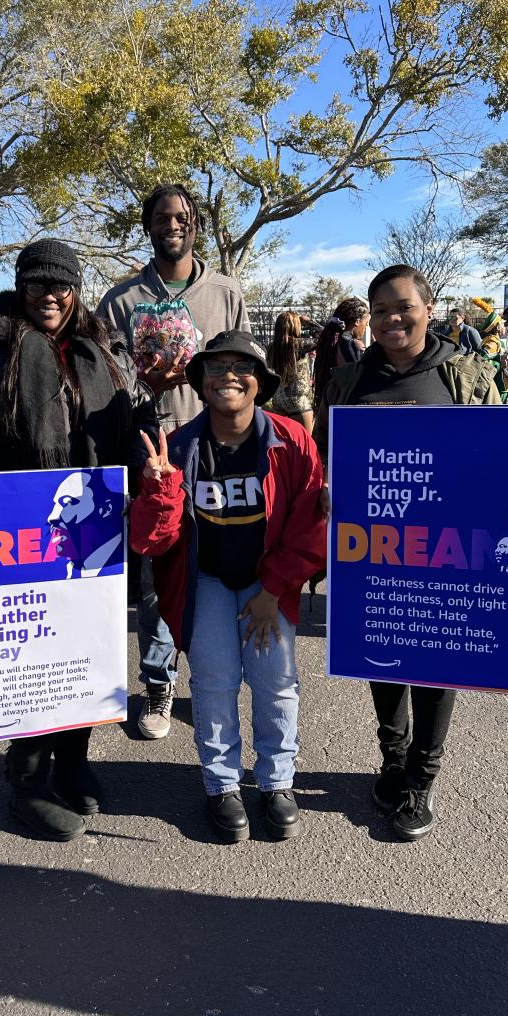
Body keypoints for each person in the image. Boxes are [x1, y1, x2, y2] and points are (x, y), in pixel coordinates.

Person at [314, 265, 508, 841]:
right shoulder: (347, 381)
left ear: (429, 306)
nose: (392, 319)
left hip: (446, 554)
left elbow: (506, 462)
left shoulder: (465, 374)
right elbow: (324, 457)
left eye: (403, 307)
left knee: (437, 667)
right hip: (374, 554)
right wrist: (323, 493)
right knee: (383, 660)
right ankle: (392, 761)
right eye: (381, 309)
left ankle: (421, 776)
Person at [0, 238, 156, 842]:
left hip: (93, 524)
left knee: (83, 651)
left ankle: (73, 761)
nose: (50, 295)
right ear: (21, 287)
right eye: (37, 284)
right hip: (18, 531)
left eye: (61, 285)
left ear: (76, 290)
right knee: (32, 655)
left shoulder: (100, 349)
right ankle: (28, 779)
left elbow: (123, 426)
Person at [130, 330, 326, 842]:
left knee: (276, 683)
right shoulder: (181, 446)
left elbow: (311, 526)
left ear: (260, 383)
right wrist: (159, 487)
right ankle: (221, 786)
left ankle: (276, 782)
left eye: (242, 367)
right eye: (215, 368)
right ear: (199, 383)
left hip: (269, 584)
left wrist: (271, 590)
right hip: (208, 583)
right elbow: (154, 542)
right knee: (214, 685)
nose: (228, 377)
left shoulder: (292, 441)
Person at [96, 184, 249, 741]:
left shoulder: (227, 293)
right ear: (148, 226)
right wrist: (145, 383)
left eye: (182, 217)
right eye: (161, 218)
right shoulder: (121, 300)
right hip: (150, 450)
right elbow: (104, 381)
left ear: (196, 224)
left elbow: (245, 371)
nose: (172, 225)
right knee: (156, 574)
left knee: (222, 563)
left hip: (216, 449)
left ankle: (218, 678)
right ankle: (158, 683)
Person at [311, 297, 370, 410]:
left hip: (330, 401)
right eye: (366, 323)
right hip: (350, 405)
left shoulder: (330, 342)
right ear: (357, 322)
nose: (366, 327)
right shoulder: (354, 345)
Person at [268, 311, 314, 433]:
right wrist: (308, 322)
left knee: (281, 445)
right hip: (298, 400)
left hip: (278, 400)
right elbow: (325, 336)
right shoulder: (300, 344)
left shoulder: (271, 348)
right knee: (305, 445)